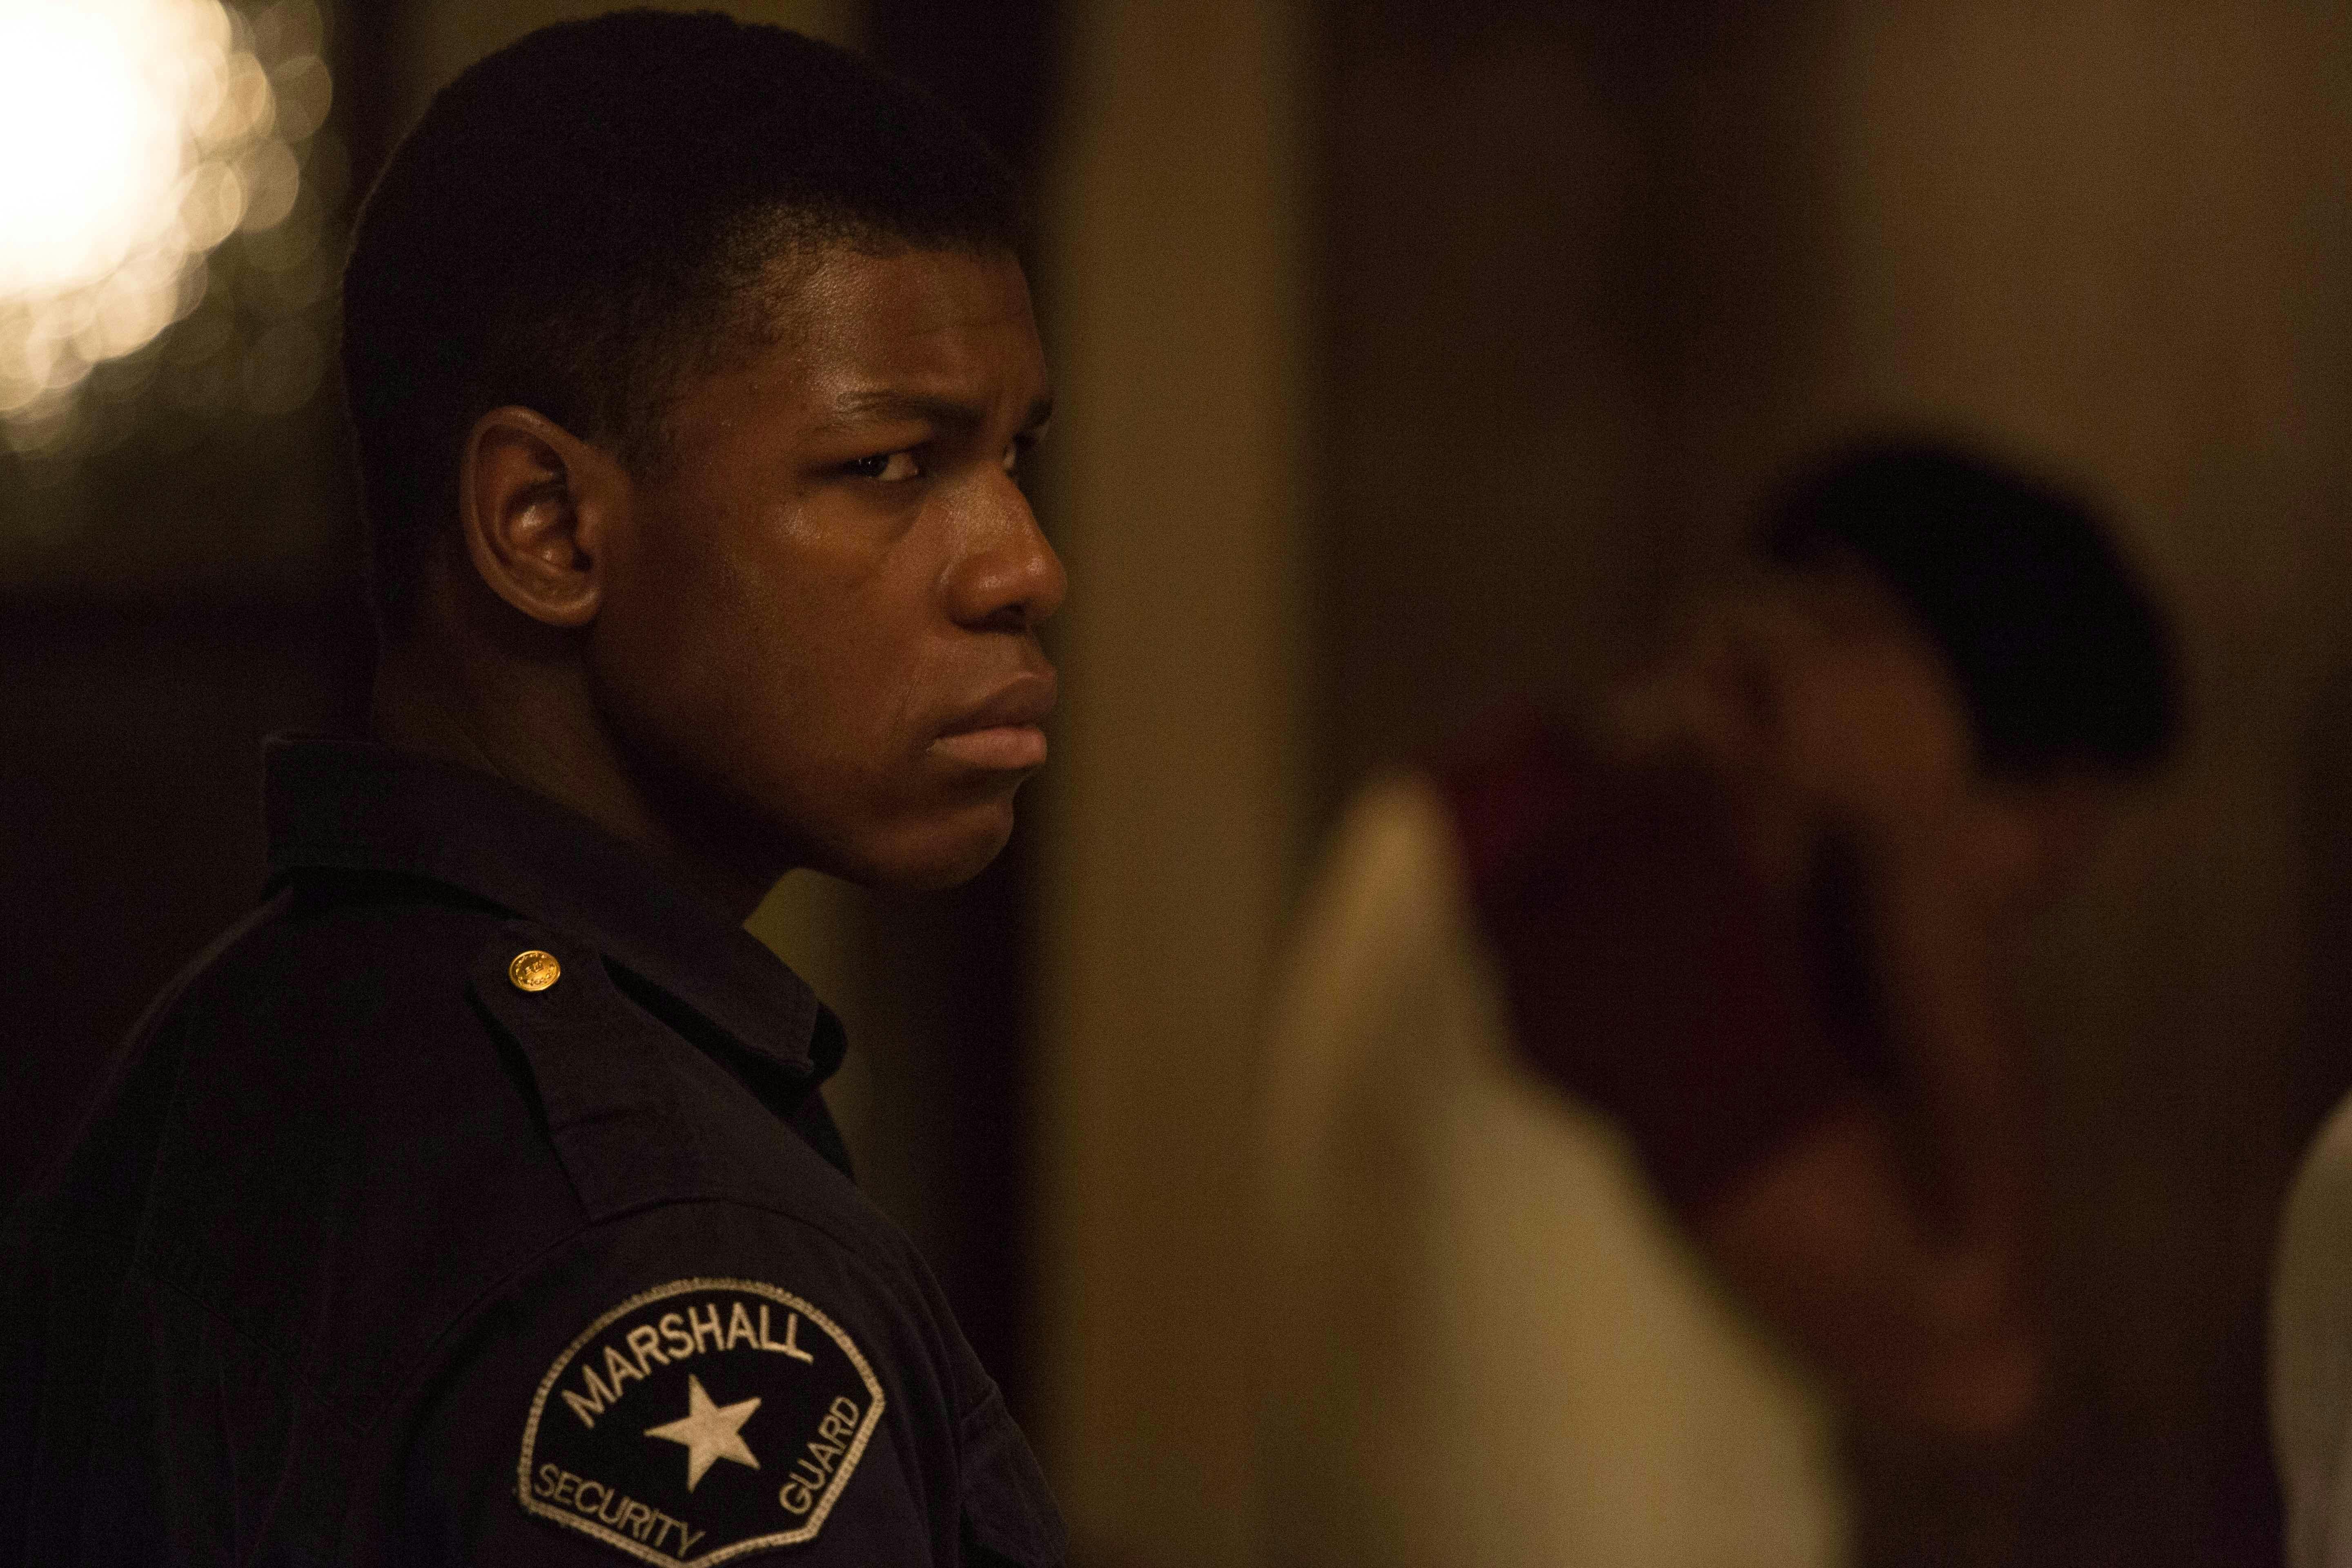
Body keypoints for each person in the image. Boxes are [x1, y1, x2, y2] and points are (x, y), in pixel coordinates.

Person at [0, 14, 1066, 1565]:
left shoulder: (238, 1034)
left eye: (1017, 456)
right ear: (547, 526)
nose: (1024, 567)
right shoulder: (662, 1258)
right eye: (889, 464)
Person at [1262, 439, 2180, 1566]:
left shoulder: (1515, 818)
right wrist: (1921, 864)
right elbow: (1974, 1363)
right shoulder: (1626, 876)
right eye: (2024, 862)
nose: (2020, 914)